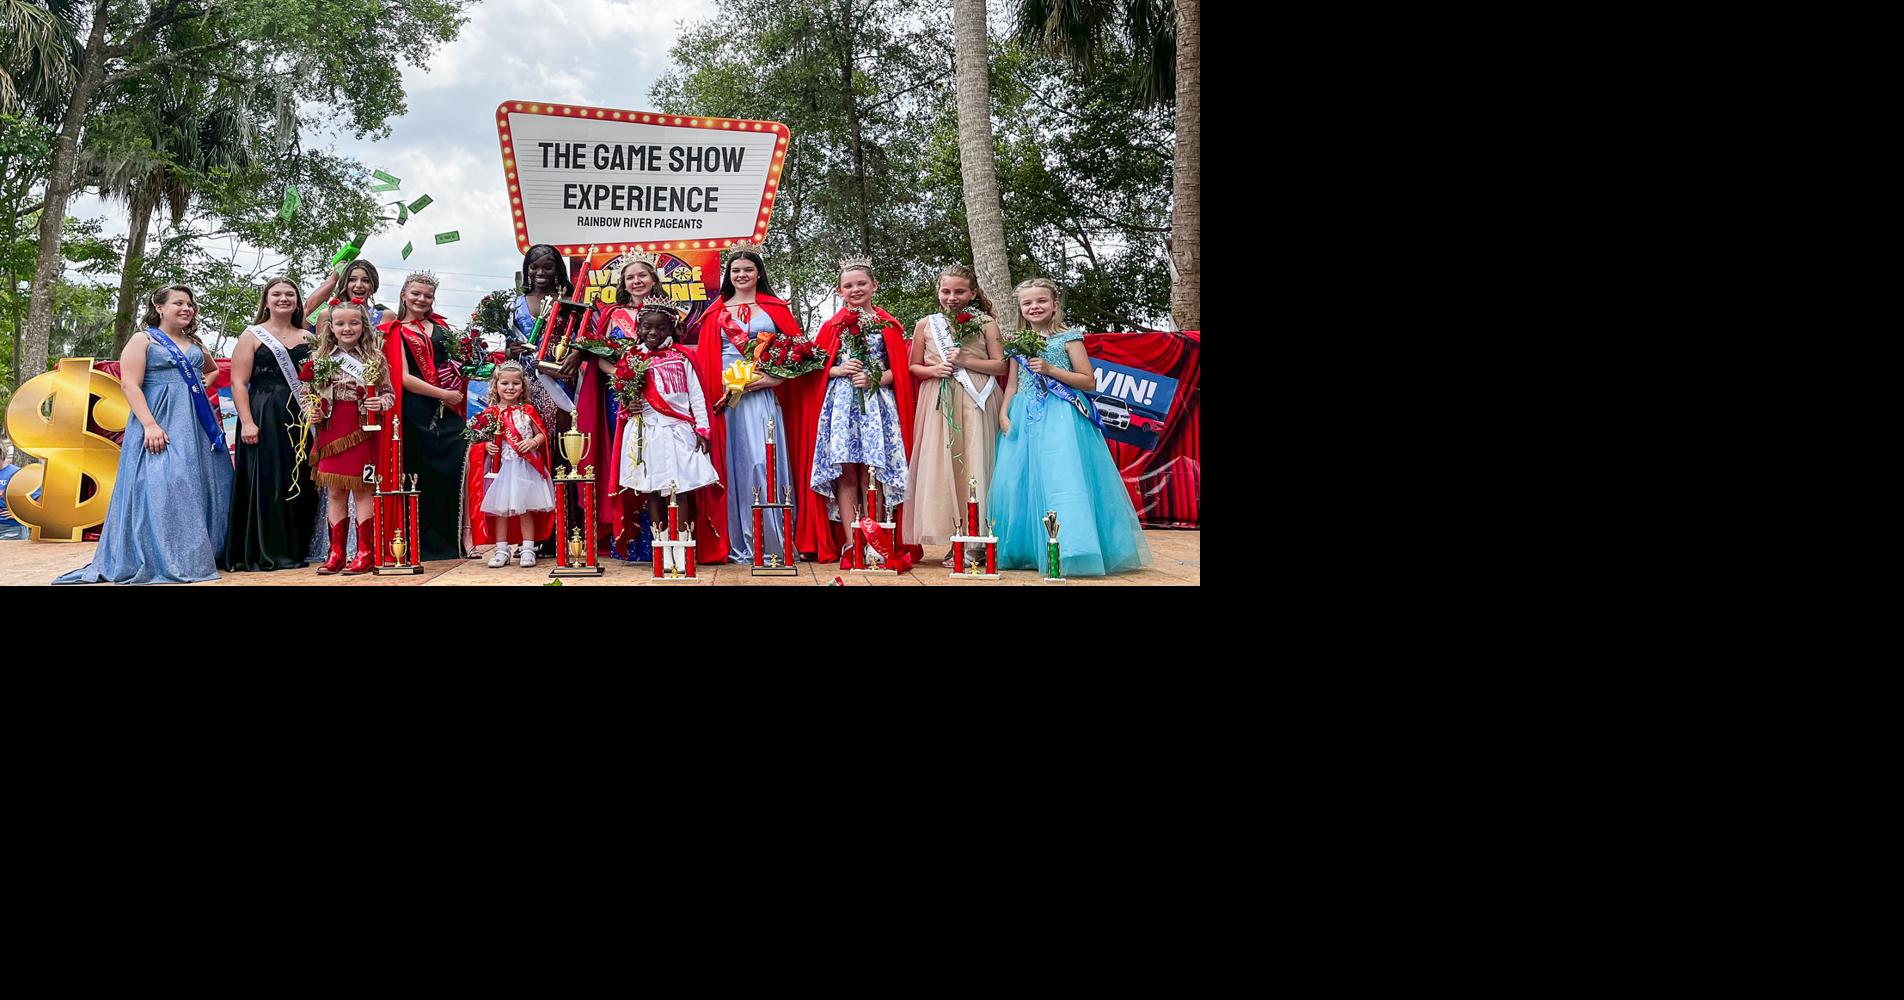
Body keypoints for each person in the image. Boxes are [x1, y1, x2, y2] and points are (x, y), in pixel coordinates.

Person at [55, 286, 233, 584]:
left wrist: (202, 383)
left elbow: (212, 371)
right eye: (178, 303)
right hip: (158, 421)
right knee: (163, 484)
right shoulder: (143, 339)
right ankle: (159, 556)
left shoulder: (194, 342)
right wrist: (150, 424)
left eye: (190, 304)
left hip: (195, 423)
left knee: (198, 482)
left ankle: (200, 554)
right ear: (159, 307)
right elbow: (130, 385)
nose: (186, 308)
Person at [988, 278, 1151, 576]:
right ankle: (1026, 549)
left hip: (1062, 413)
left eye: (1041, 301)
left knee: (1063, 477)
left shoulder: (1069, 338)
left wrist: (1051, 370)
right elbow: (1011, 384)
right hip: (1024, 414)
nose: (1035, 307)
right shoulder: (1015, 343)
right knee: (1019, 481)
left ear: (1054, 305)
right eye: (1028, 303)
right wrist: (1003, 413)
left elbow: (1088, 381)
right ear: (1020, 309)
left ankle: (1074, 547)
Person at [687, 242, 807, 564]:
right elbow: (707, 359)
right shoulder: (716, 312)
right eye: (736, 270)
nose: (742, 275)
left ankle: (773, 539)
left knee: (763, 461)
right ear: (729, 275)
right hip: (728, 400)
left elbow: (798, 353)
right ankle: (740, 539)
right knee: (735, 465)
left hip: (763, 394)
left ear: (758, 274)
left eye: (748, 270)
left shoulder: (776, 309)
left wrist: (773, 380)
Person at [808, 257, 917, 570]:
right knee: (846, 473)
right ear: (840, 290)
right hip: (841, 406)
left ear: (874, 286)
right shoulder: (831, 326)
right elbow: (815, 369)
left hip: (876, 404)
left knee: (876, 471)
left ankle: (878, 542)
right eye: (849, 285)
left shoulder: (889, 324)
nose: (855, 289)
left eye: (861, 284)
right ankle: (851, 542)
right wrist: (838, 369)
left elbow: (898, 370)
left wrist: (875, 377)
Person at [904, 265, 1007, 567]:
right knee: (944, 467)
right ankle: (954, 536)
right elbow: (914, 366)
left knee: (974, 463)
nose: (952, 297)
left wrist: (966, 360)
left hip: (976, 398)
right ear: (938, 292)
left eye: (959, 291)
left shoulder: (986, 323)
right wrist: (933, 370)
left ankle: (976, 539)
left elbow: (1001, 366)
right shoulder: (926, 324)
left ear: (973, 293)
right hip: (938, 397)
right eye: (946, 291)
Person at [223, 276, 319, 570]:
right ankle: (263, 549)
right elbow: (238, 383)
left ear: (298, 302)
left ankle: (295, 548)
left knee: (300, 479)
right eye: (276, 294)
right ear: (266, 300)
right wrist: (247, 422)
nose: (283, 299)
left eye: (290, 294)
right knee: (266, 480)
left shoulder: (309, 338)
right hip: (262, 414)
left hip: (301, 418)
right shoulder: (251, 336)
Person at [617, 299, 719, 575]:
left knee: (681, 489)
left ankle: (682, 549)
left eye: (661, 328)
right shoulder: (631, 359)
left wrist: (702, 429)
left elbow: (697, 396)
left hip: (678, 431)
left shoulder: (683, 357)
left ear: (671, 329)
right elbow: (625, 398)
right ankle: (661, 550)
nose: (654, 333)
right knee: (652, 491)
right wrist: (630, 406)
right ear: (638, 329)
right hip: (647, 431)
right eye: (648, 327)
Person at [379, 271, 467, 561]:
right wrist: (443, 394)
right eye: (415, 293)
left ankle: (455, 542)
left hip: (448, 410)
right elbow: (402, 377)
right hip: (416, 410)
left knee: (454, 469)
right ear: (404, 293)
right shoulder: (394, 331)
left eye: (427, 295)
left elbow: (455, 363)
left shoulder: (442, 327)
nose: (421, 299)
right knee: (419, 474)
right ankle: (420, 544)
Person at [306, 301, 394, 575]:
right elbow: (306, 393)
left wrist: (379, 403)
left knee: (363, 490)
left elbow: (389, 394)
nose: (347, 328)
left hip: (363, 430)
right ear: (330, 327)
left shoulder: (374, 358)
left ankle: (365, 552)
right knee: (334, 491)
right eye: (340, 324)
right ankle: (336, 553)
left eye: (353, 323)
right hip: (331, 430)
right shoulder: (319, 358)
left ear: (363, 326)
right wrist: (312, 410)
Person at [469, 362, 555, 568]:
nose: (510, 387)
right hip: (501, 469)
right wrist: (486, 446)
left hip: (526, 468)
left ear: (523, 387)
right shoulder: (489, 412)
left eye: (516, 383)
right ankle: (501, 549)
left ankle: (527, 548)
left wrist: (533, 442)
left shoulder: (528, 411)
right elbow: (480, 440)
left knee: (526, 508)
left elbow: (541, 434)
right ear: (495, 386)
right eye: (504, 383)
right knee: (501, 511)